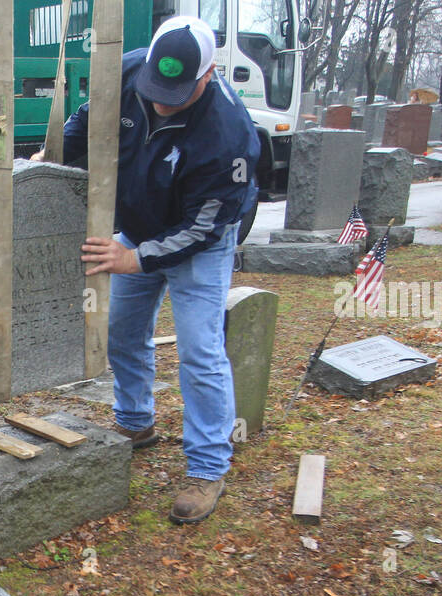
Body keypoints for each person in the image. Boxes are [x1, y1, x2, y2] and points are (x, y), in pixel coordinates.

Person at [39, 16, 260, 524]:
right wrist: (49, 162)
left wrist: (133, 259)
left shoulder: (229, 137)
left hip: (198, 245)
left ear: (207, 77)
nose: (162, 101)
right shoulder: (130, 72)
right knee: (120, 331)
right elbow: (84, 128)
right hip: (138, 229)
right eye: (156, 90)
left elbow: (203, 229)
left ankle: (207, 466)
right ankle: (136, 422)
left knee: (200, 350)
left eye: (177, 93)